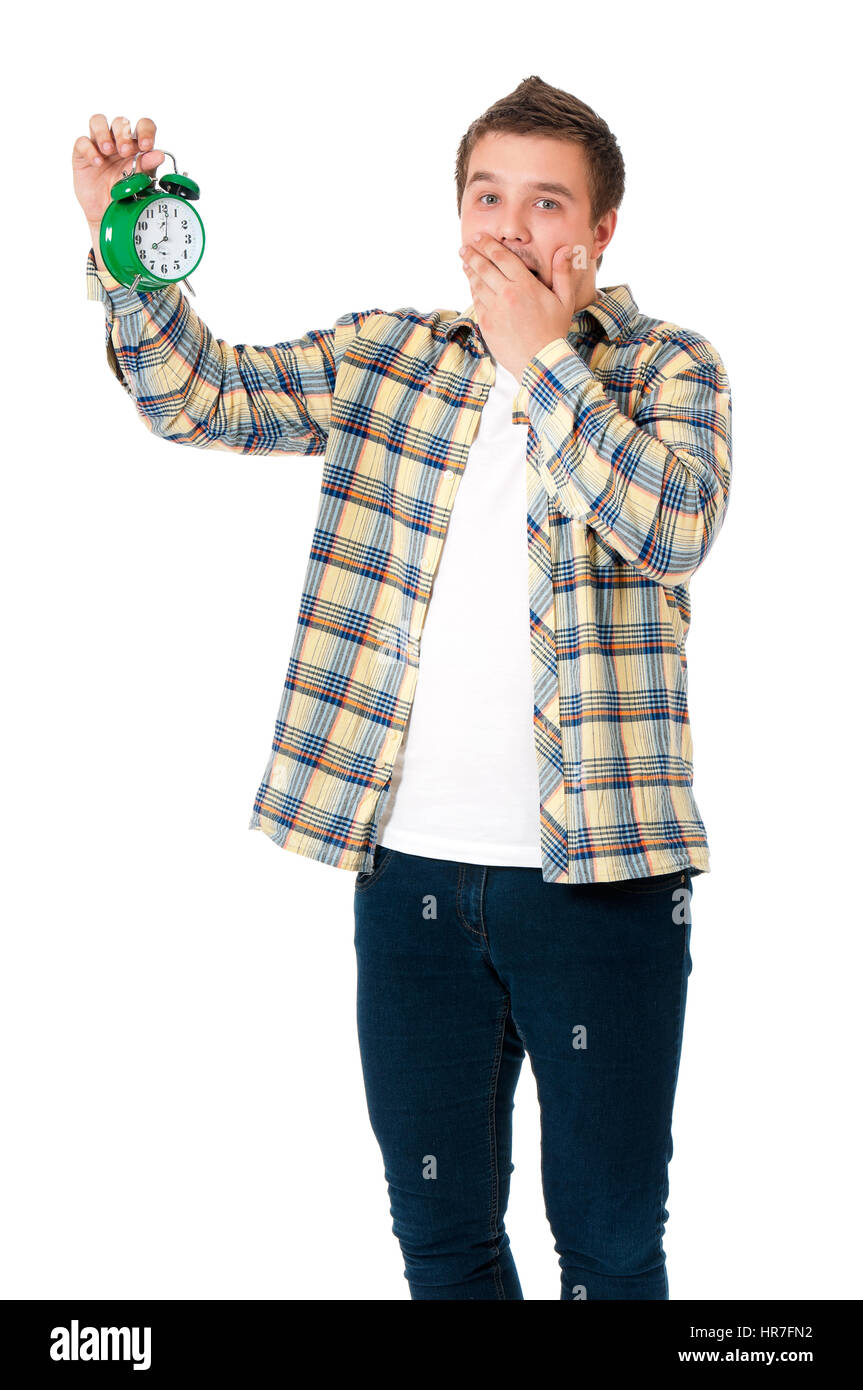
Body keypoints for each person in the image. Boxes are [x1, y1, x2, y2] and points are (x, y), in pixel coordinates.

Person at [73, 76, 732, 1300]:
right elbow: (197, 396)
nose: (508, 226)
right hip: (411, 882)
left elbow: (675, 525)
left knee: (607, 1247)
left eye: (545, 203)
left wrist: (542, 363)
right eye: (486, 196)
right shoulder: (388, 361)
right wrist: (132, 260)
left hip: (602, 889)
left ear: (595, 236)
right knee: (440, 1243)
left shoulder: (664, 370)